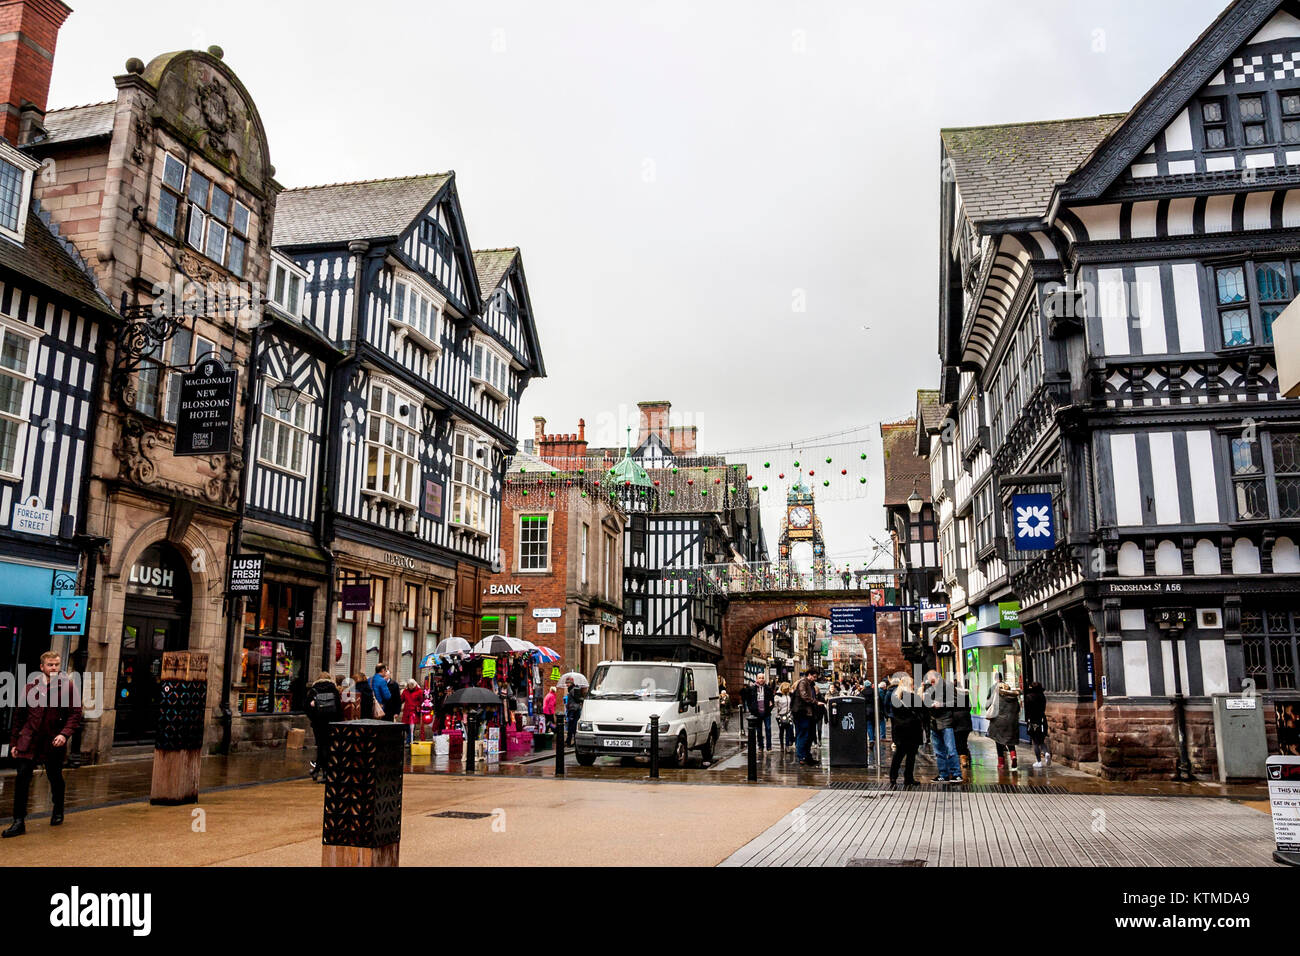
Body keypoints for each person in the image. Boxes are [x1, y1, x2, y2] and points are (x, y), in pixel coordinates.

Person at [4, 651, 83, 838]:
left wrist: (64, 734)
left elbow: (75, 714)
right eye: (50, 665)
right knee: (22, 779)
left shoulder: (68, 687)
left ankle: (58, 808)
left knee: (54, 776)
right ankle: (18, 821)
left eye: (56, 664)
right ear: (42, 667)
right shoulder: (30, 687)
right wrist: (14, 742)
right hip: (28, 740)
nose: (54, 668)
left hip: (52, 741)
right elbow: (19, 716)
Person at [923, 670, 961, 783]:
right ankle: (943, 774)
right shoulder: (929, 687)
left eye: (933, 681)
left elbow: (956, 701)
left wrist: (942, 704)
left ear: (938, 678)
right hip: (933, 722)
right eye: (930, 682)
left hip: (946, 721)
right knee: (939, 751)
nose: (932, 683)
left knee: (950, 749)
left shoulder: (948, 686)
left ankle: (956, 774)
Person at [305, 670, 343, 782]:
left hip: (318, 723)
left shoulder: (313, 690)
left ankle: (320, 771)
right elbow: (338, 708)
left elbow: (306, 707)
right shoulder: (334, 690)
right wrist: (337, 722)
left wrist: (313, 717)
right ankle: (323, 772)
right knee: (327, 746)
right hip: (330, 723)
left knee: (321, 746)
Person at [888, 674, 923, 788]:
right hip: (912, 729)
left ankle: (893, 776)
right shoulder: (913, 697)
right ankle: (908, 778)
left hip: (899, 730)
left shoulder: (895, 698)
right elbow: (922, 711)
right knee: (911, 755)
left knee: (898, 754)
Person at [986, 671, 1021, 771]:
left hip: (999, 722)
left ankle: (1001, 763)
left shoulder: (996, 695)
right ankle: (1013, 756)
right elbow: (1018, 709)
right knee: (1010, 741)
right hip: (1011, 722)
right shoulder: (1013, 697)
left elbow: (987, 706)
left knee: (999, 742)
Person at [792, 669, 818, 766]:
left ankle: (807, 756)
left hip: (809, 714)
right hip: (802, 713)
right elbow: (804, 696)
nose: (815, 678)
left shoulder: (811, 684)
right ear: (809, 675)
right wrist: (815, 702)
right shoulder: (803, 682)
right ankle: (801, 756)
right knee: (802, 735)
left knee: (809, 736)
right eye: (814, 676)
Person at [743, 673, 775, 752]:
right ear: (757, 679)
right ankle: (760, 746)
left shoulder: (768, 688)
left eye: (762, 678)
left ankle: (769, 746)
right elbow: (748, 700)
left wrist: (770, 708)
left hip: (766, 713)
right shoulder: (752, 688)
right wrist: (752, 709)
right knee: (759, 730)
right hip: (757, 713)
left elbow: (772, 700)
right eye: (759, 678)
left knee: (768, 729)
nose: (761, 679)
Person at [1024, 681, 1050, 769]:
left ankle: (1039, 761)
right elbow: (1044, 708)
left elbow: (1027, 710)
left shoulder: (1028, 697)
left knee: (1035, 742)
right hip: (1042, 719)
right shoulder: (1042, 697)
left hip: (1032, 721)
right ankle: (1046, 753)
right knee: (1041, 740)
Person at [952, 680, 973, 777]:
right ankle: (964, 759)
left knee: (957, 742)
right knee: (963, 741)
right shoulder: (965, 695)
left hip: (956, 722)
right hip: (966, 721)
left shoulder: (950, 696)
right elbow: (970, 707)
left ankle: (962, 760)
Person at [400, 679, 424, 743]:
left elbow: (421, 701)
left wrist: (418, 706)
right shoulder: (405, 691)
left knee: (411, 728)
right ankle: (411, 737)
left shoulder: (419, 691)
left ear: (414, 685)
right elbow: (401, 700)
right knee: (405, 726)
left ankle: (408, 741)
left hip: (414, 712)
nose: (410, 688)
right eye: (409, 686)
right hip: (406, 711)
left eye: (411, 686)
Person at [774, 682, 794, 752]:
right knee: (781, 731)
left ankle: (787, 746)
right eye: (787, 688)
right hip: (780, 715)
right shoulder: (778, 696)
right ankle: (782, 745)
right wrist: (778, 712)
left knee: (789, 730)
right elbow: (775, 705)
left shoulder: (788, 695)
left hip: (788, 715)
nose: (788, 689)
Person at [564, 676, 585, 746]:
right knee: (572, 727)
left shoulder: (573, 690)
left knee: (572, 727)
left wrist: (571, 710)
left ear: (571, 683)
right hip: (573, 710)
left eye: (568, 683)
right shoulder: (571, 690)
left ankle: (570, 742)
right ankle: (570, 741)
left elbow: (577, 700)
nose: (567, 684)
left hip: (573, 710)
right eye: (566, 683)